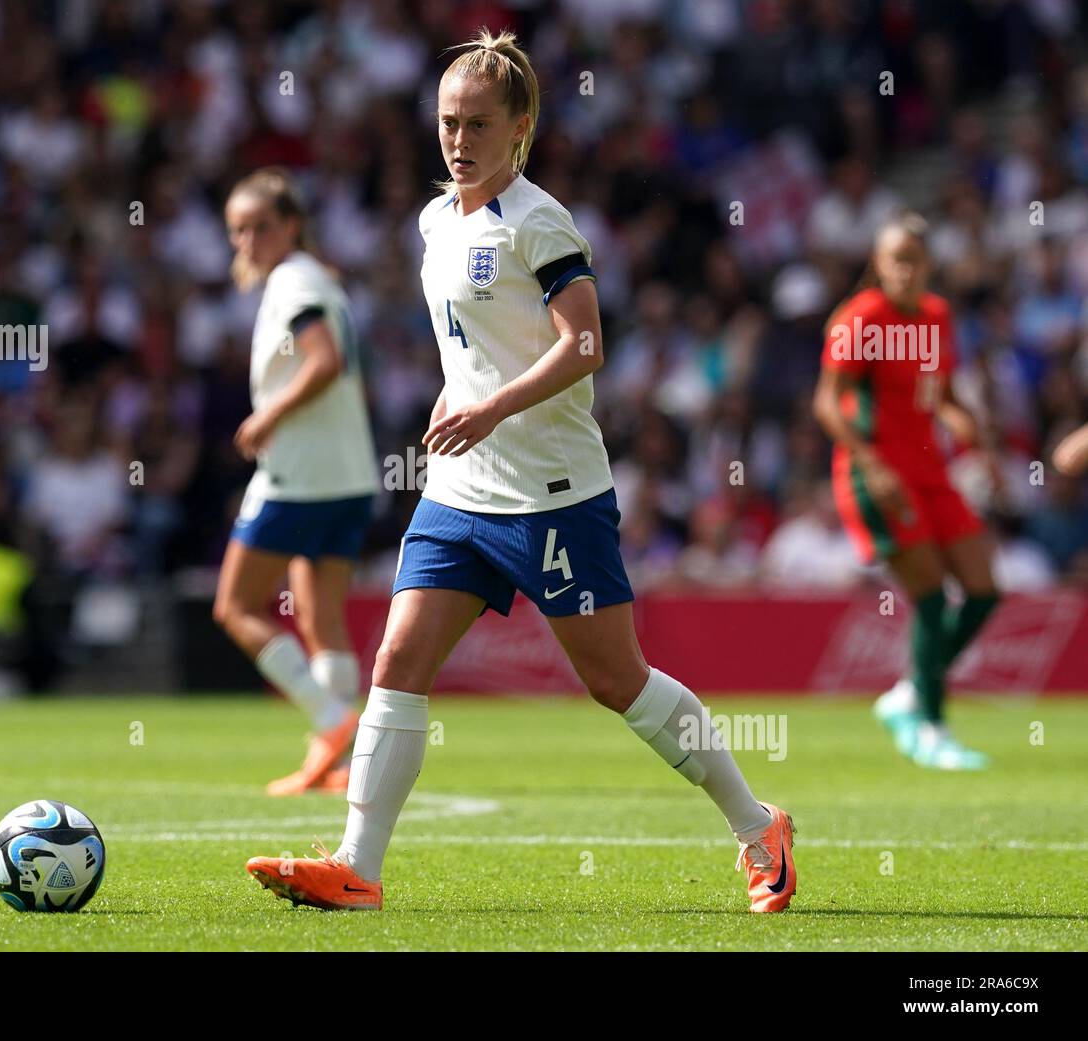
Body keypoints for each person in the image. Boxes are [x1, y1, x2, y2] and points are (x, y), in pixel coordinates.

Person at [244, 29, 796, 912]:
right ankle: (358, 864)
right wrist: (457, 396)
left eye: (476, 124)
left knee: (617, 680)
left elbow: (585, 344)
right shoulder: (435, 219)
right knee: (397, 655)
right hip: (461, 488)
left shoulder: (538, 221)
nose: (457, 140)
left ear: (522, 127)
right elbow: (482, 346)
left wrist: (492, 405)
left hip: (551, 494)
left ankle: (756, 823)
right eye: (446, 123)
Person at [212, 168, 380, 795]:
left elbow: (324, 363)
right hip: (349, 475)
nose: (248, 242)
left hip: (299, 476)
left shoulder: (291, 282)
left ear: (292, 226)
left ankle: (331, 718)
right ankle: (336, 765)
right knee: (320, 616)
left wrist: (268, 415)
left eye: (260, 227)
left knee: (233, 605)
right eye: (238, 231)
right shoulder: (319, 280)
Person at [813, 212, 1000, 770]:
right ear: (878, 262)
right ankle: (929, 725)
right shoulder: (861, 317)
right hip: (877, 474)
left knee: (984, 589)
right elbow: (826, 402)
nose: (905, 270)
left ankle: (909, 692)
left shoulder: (938, 316)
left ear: (929, 264)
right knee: (933, 595)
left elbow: (938, 391)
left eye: (914, 259)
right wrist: (871, 464)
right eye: (895, 259)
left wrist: (965, 424)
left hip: (930, 471)